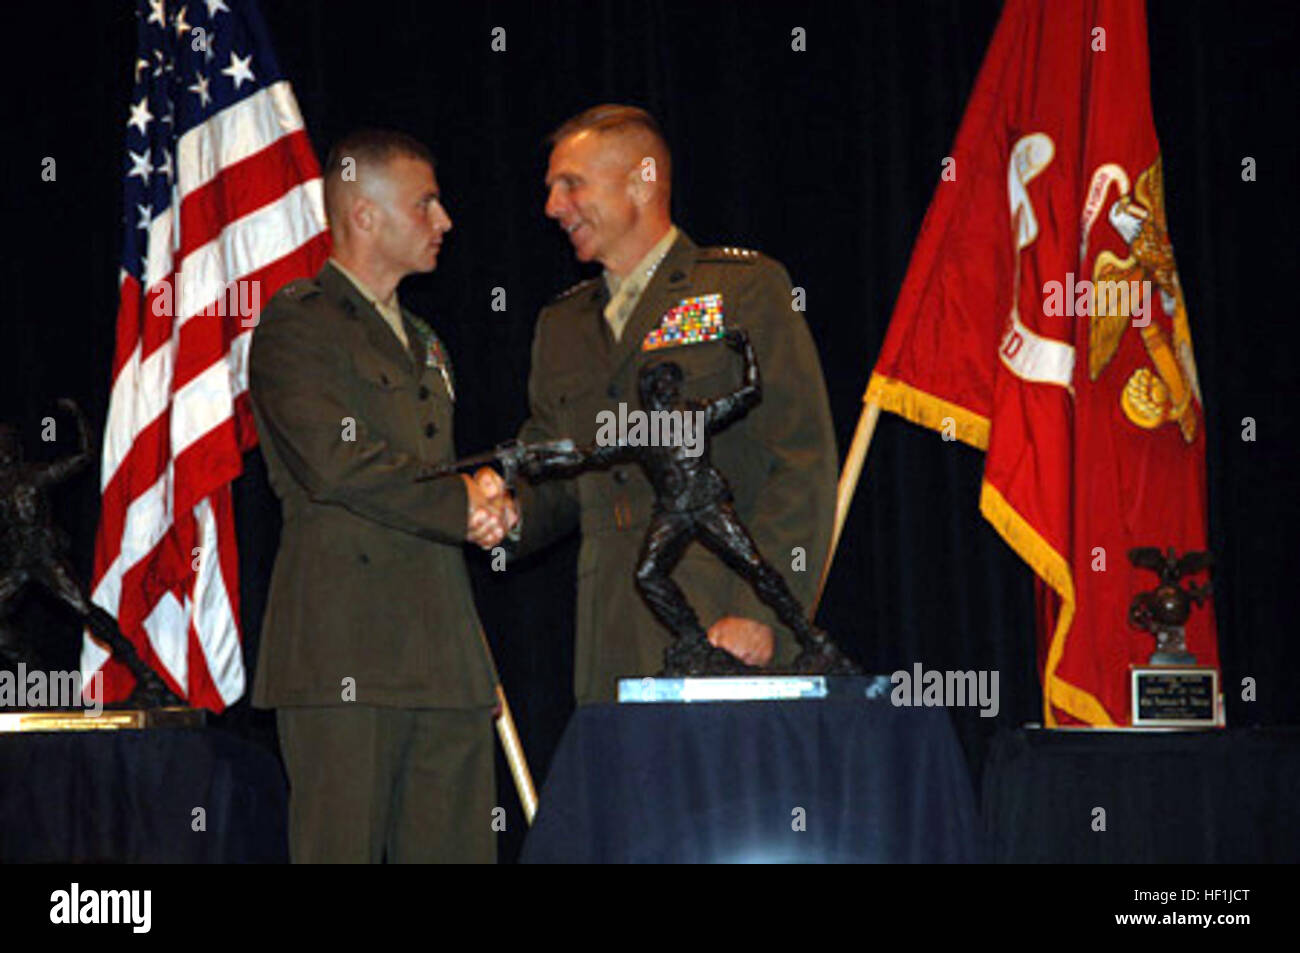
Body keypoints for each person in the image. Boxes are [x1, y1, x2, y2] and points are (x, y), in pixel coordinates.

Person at [486, 104, 839, 704]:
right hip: (609, 635)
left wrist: (763, 612)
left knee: (722, 801)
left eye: (571, 184)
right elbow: (562, 471)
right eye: (549, 190)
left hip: (722, 626)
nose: (552, 207)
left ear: (642, 180)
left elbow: (802, 461)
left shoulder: (742, 289)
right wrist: (506, 508)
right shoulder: (562, 325)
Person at [248, 128, 513, 863]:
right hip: (345, 650)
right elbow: (336, 462)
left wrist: (491, 496)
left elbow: (425, 467)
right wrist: (460, 502)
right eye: (426, 203)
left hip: (445, 650)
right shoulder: (296, 324)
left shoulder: (423, 337)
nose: (445, 220)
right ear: (365, 214)